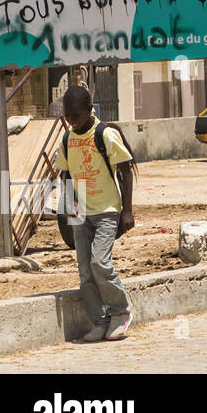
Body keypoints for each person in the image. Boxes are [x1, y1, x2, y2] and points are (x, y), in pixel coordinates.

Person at [56, 86, 135, 342]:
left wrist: (127, 211)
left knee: (99, 263)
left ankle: (121, 312)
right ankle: (100, 321)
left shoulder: (105, 135)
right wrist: (70, 203)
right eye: (68, 117)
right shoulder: (67, 140)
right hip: (80, 213)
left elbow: (126, 171)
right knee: (85, 271)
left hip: (106, 210)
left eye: (77, 116)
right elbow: (66, 173)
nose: (73, 121)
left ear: (90, 110)